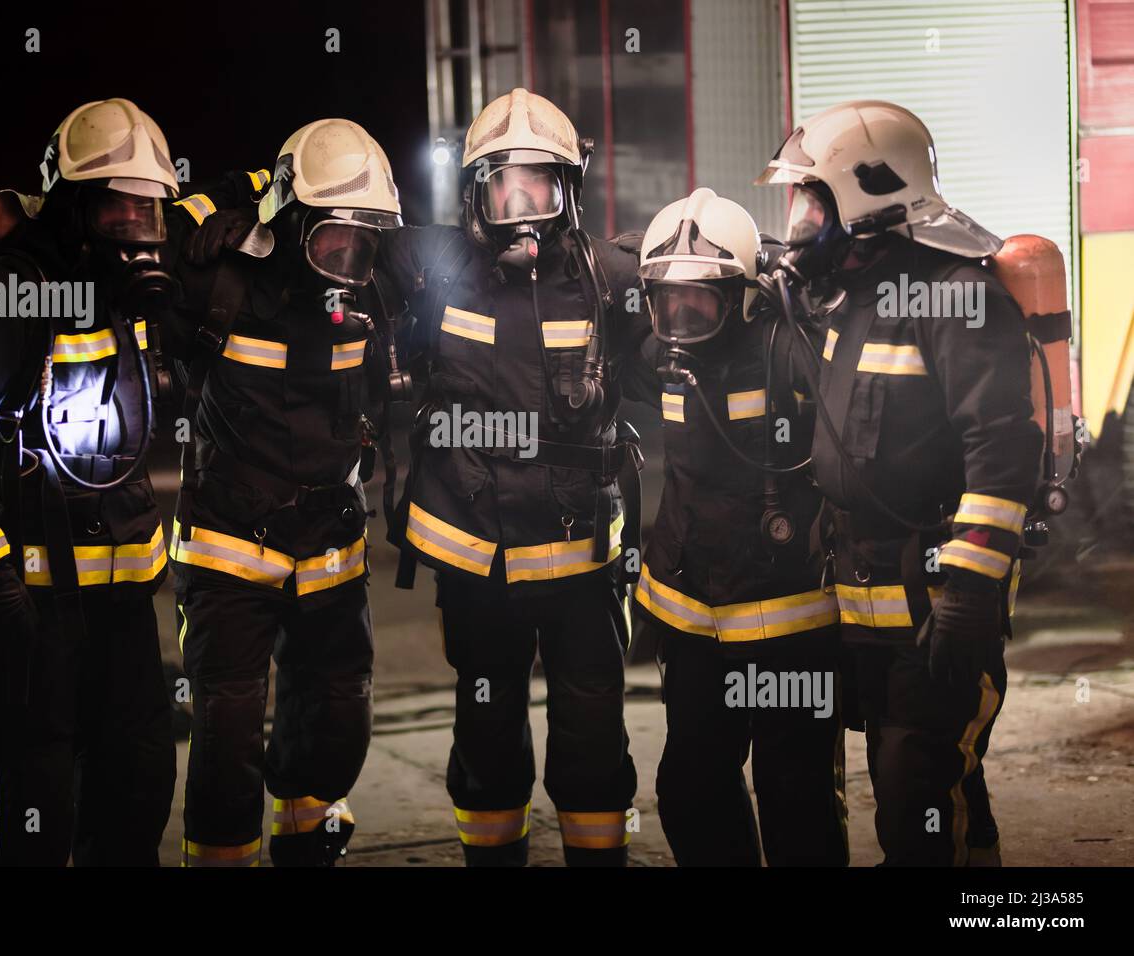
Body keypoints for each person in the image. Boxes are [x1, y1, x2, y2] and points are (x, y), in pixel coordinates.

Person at [756, 100, 1043, 865]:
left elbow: (1004, 448)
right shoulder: (849, 297)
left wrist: (971, 592)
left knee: (914, 791)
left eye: (810, 200)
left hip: (935, 599)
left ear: (867, 200)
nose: (797, 221)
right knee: (927, 778)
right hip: (863, 598)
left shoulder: (956, 296)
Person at [378, 88, 649, 866]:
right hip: (477, 562)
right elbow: (335, 241)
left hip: (581, 562)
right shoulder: (433, 265)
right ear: (476, 192)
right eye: (505, 184)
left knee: (593, 733)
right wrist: (243, 219)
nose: (523, 202)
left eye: (540, 183)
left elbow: (711, 271)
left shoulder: (608, 276)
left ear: (569, 190)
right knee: (488, 732)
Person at [0, 98, 179, 865]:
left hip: (120, 613)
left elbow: (216, 200)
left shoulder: (125, 291)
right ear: (73, 209)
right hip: (20, 613)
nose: (136, 229)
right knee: (32, 816)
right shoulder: (12, 294)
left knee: (135, 795)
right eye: (116, 209)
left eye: (145, 210)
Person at [164, 119, 403, 867]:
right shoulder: (219, 278)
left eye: (363, 244)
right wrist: (225, 200)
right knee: (229, 734)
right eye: (333, 241)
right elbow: (121, 235)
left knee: (335, 724)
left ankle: (309, 851)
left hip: (330, 552)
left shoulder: (377, 287)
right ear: (292, 218)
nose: (348, 261)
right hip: (228, 552)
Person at [629, 187, 847, 866]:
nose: (681, 317)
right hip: (694, 620)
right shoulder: (664, 358)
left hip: (791, 624)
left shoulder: (791, 350)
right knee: (690, 788)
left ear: (745, 293)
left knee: (797, 794)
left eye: (700, 300)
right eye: (667, 300)